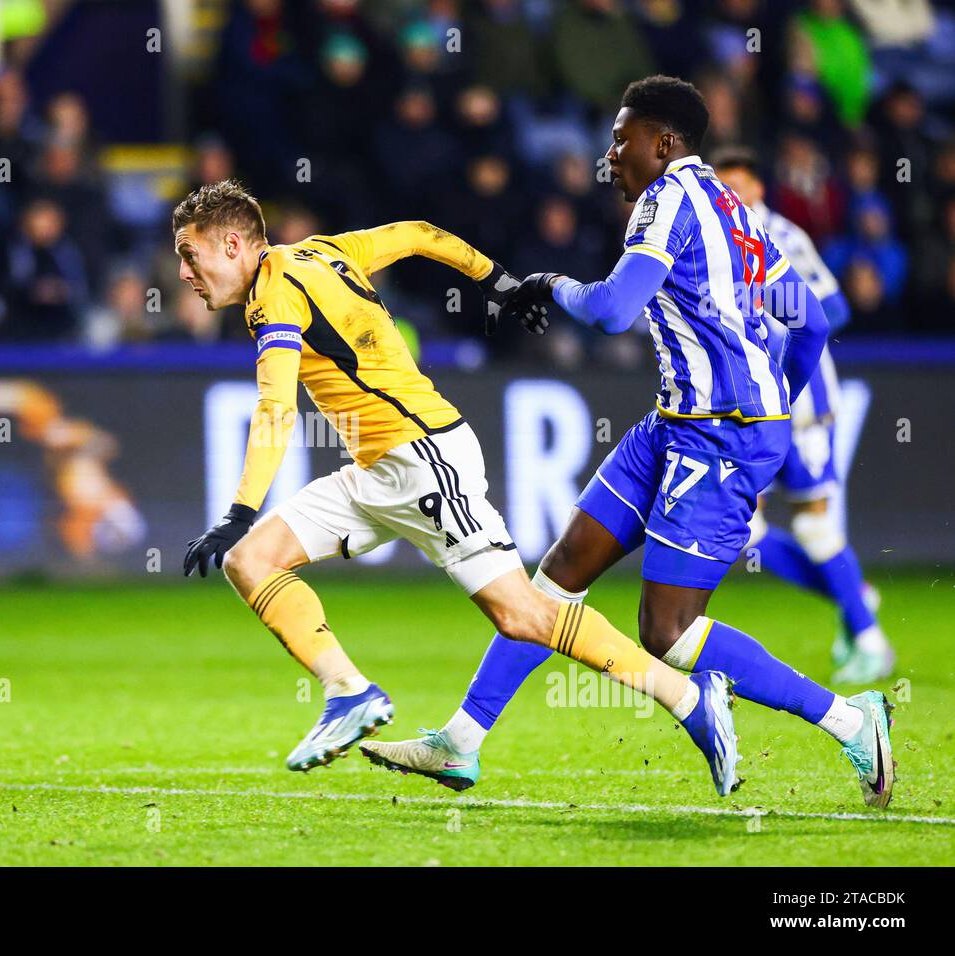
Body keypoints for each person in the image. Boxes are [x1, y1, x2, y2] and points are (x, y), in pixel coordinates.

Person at [362, 76, 896, 809]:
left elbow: (614, 310)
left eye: (622, 137)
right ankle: (462, 740)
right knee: (557, 572)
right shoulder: (735, 210)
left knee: (667, 634)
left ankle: (850, 719)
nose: (609, 153)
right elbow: (809, 325)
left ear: (664, 143)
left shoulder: (667, 201)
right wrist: (778, 405)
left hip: (720, 436)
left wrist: (547, 282)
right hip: (682, 423)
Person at [174, 179, 742, 795]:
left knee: (523, 615)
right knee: (251, 560)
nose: (184, 272)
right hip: (377, 471)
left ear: (232, 245)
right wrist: (497, 280)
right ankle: (349, 692)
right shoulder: (322, 250)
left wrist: (239, 508)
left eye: (189, 253)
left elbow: (276, 409)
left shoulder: (274, 296)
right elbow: (419, 234)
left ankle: (687, 697)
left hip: (423, 461)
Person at [711, 146, 894, 684]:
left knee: (815, 527)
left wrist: (774, 316)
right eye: (725, 188)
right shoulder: (715, 243)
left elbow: (833, 309)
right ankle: (855, 597)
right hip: (752, 405)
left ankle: (869, 638)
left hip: (804, 401)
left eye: (741, 186)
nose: (733, 196)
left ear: (759, 189)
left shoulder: (782, 239)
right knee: (745, 531)